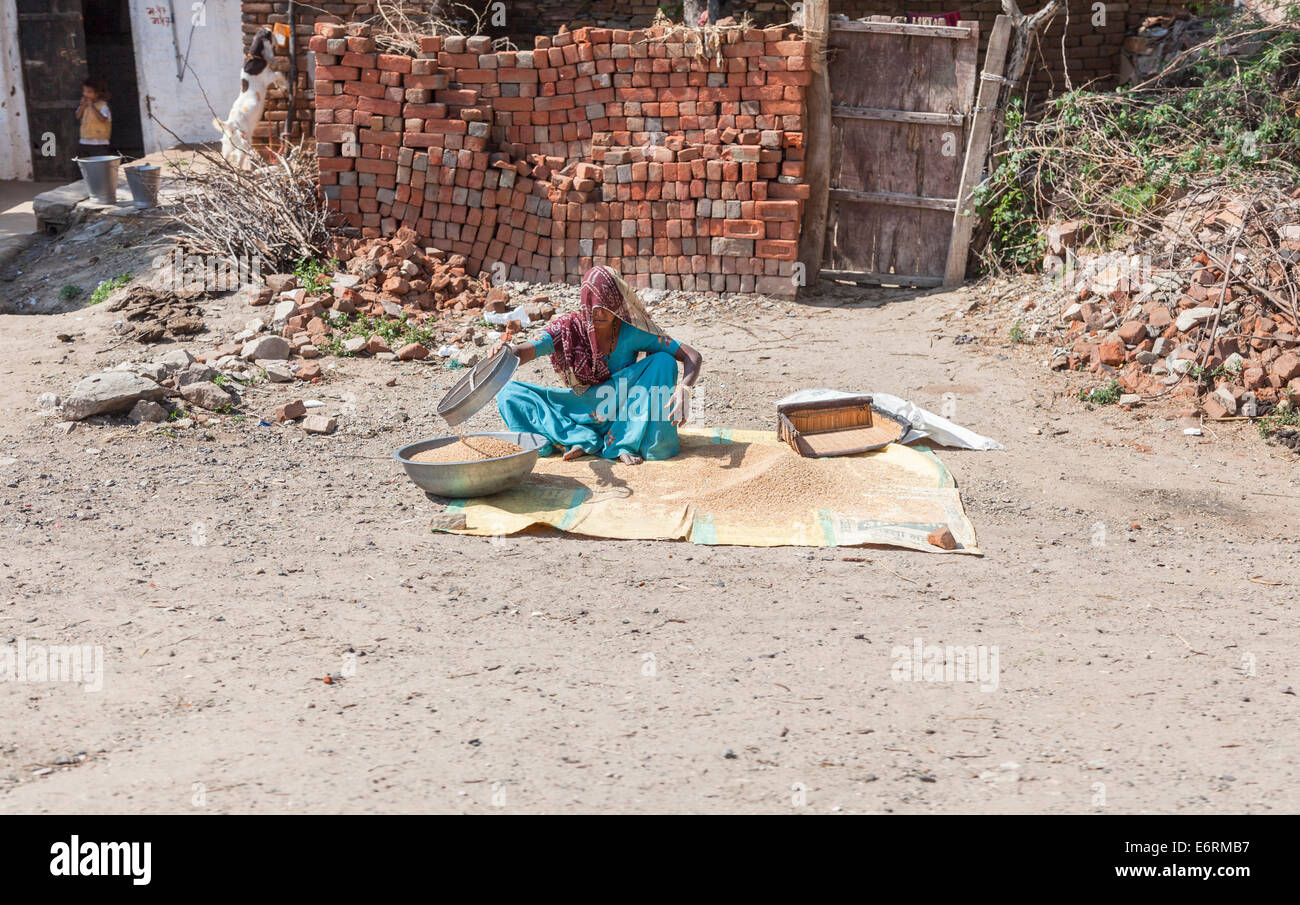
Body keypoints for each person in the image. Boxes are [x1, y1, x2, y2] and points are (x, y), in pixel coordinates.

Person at [492, 266, 703, 465]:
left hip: (624, 414)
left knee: (663, 361)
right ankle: (583, 438)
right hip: (581, 409)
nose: (599, 313)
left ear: (617, 303)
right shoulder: (567, 328)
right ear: (584, 303)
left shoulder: (631, 331)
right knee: (508, 393)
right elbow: (526, 349)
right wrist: (506, 351)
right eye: (593, 306)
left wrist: (685, 387)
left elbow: (692, 356)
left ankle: (621, 442)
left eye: (606, 306)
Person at [75, 79, 112, 159]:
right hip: (84, 142)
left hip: (99, 143)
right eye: (84, 91)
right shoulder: (84, 106)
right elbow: (78, 116)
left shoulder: (103, 106)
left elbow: (103, 119)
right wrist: (83, 106)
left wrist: (92, 106)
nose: (86, 94)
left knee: (100, 166)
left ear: (97, 93)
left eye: (89, 92)